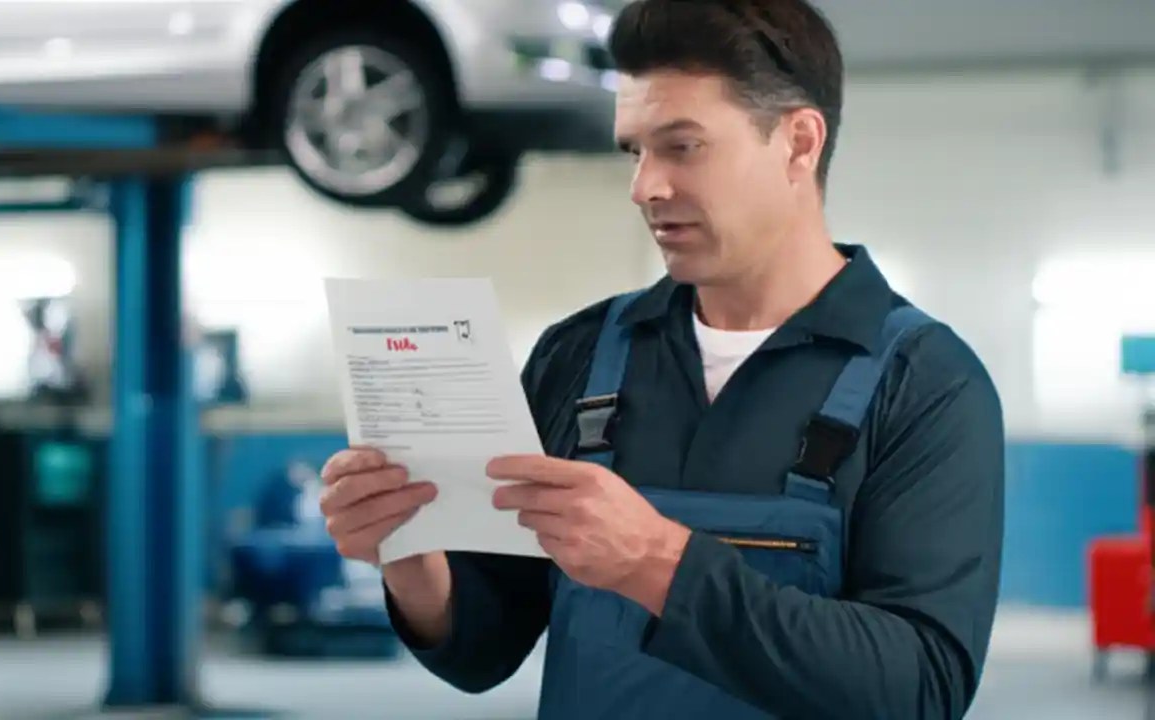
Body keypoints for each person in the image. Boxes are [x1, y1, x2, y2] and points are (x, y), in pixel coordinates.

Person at [318, 0, 1005, 717]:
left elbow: (920, 689)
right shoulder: (579, 355)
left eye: (683, 146)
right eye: (635, 151)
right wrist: (409, 554)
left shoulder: (925, 384)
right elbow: (484, 646)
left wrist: (656, 565)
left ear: (798, 143)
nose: (645, 187)